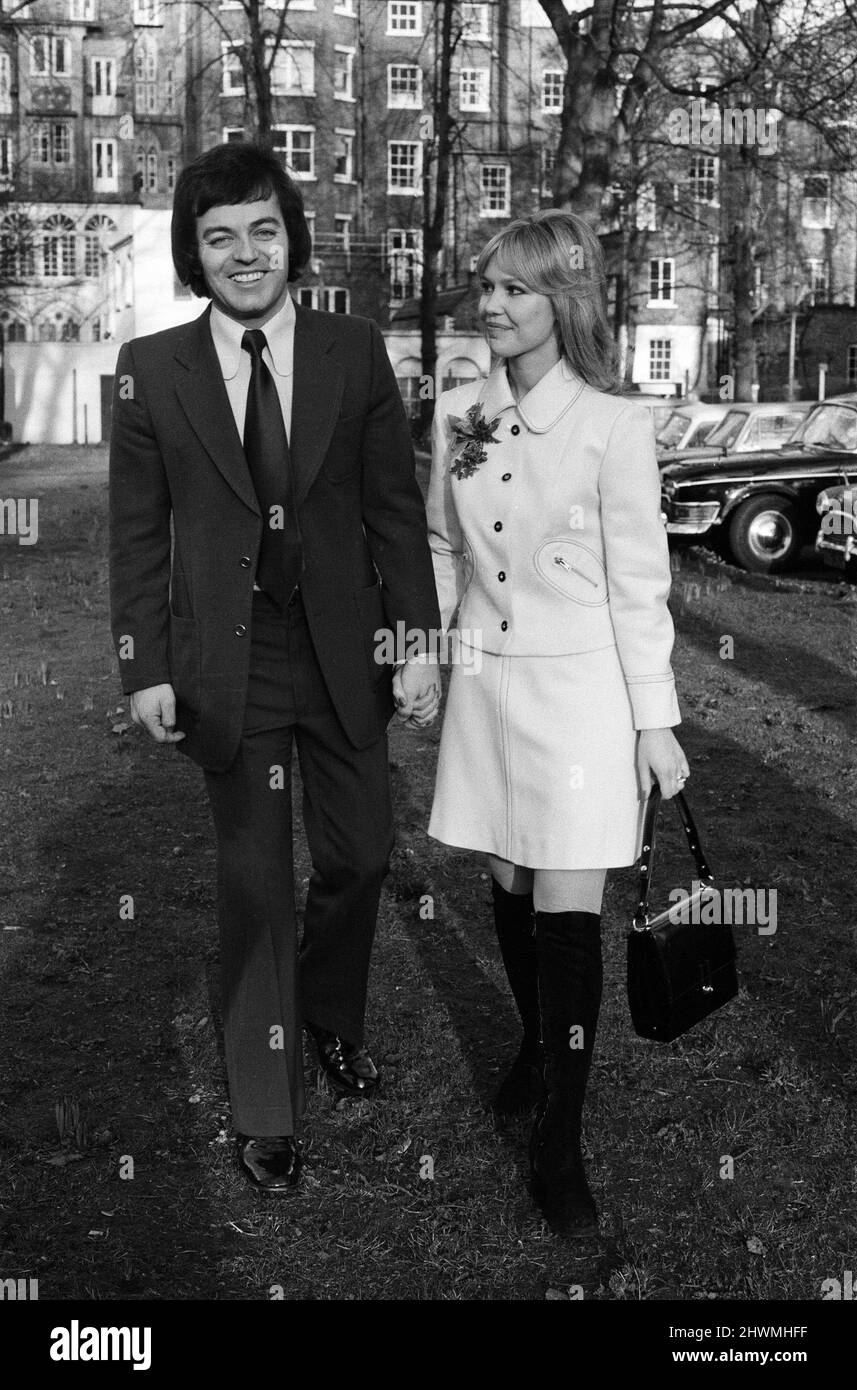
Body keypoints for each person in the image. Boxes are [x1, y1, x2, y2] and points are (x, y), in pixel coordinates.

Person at [108, 141, 440, 1194]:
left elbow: (392, 510)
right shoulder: (150, 368)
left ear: (291, 238)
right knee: (254, 880)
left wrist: (418, 642)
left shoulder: (353, 349)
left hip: (344, 651)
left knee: (362, 857)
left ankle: (329, 1017)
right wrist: (142, 667)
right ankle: (265, 1103)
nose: (243, 254)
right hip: (227, 663)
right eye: (218, 238)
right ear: (192, 255)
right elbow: (136, 536)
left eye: (261, 229)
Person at [426, 210, 689, 1239]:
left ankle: (558, 1143)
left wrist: (653, 723)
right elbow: (445, 545)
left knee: (566, 906)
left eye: (515, 290)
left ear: (561, 302)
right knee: (505, 876)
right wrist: (436, 658)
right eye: (485, 286)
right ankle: (539, 1043)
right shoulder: (455, 412)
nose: (491, 305)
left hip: (582, 697)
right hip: (489, 686)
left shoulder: (615, 424)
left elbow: (640, 586)